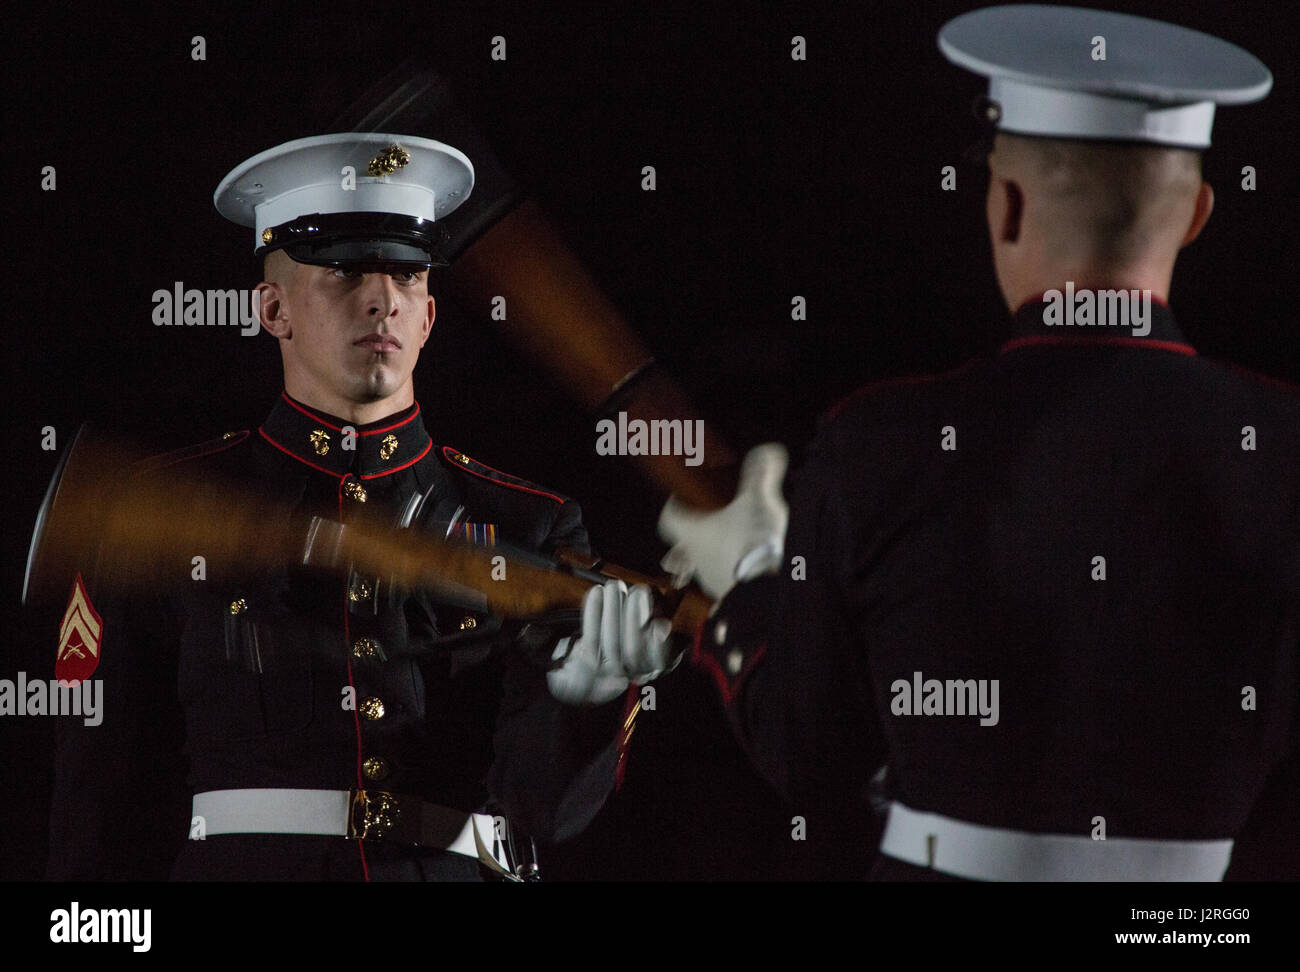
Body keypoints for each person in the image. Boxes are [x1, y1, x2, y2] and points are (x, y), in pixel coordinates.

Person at [660, 5, 1298, 881]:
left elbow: (813, 759)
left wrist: (750, 586)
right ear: (1195, 216)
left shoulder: (880, 445)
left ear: (1005, 206)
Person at [46, 132, 675, 881]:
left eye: (407, 275)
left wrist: (588, 700)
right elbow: (99, 799)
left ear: (430, 317)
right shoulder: (162, 510)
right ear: (272, 309)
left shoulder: (529, 523)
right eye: (345, 271)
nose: (382, 298)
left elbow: (544, 812)